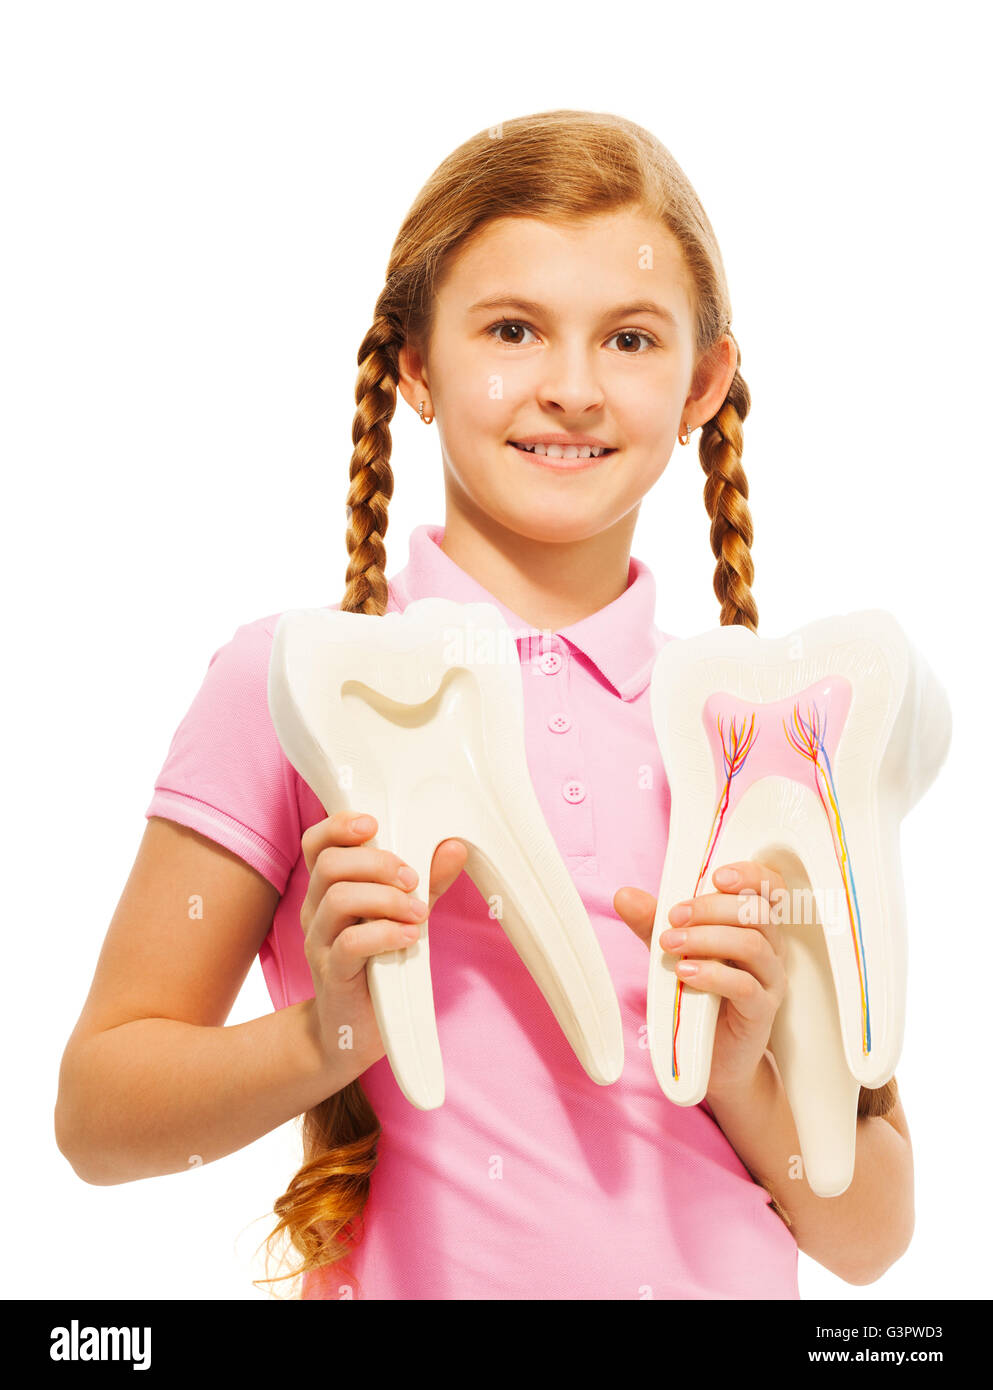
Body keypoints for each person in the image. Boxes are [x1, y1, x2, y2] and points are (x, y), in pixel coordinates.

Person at [54, 109, 913, 1300]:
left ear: (702, 380)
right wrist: (332, 1035)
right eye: (513, 329)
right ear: (414, 361)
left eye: (629, 338)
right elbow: (100, 1118)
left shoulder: (761, 732)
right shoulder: (293, 685)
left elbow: (870, 1236)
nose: (570, 389)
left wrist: (743, 1076)